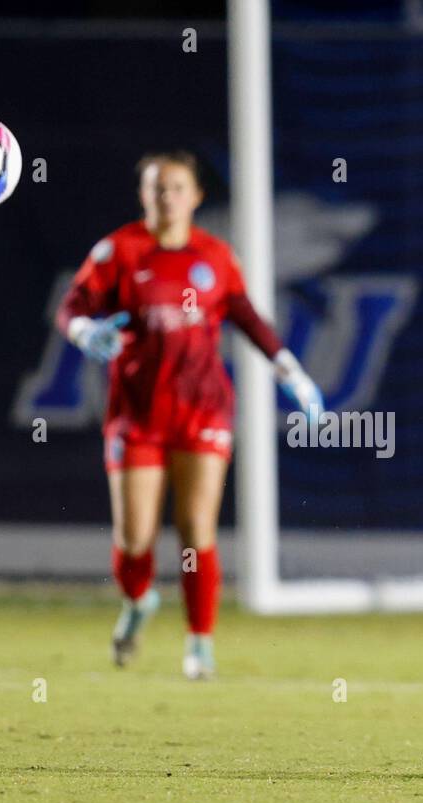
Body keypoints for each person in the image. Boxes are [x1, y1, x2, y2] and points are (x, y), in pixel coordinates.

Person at [57, 150, 321, 679]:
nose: (167, 197)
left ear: (196, 196)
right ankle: (137, 602)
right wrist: (85, 332)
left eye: (177, 187)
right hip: (137, 414)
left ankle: (199, 643)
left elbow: (245, 315)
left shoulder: (215, 256)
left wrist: (288, 369)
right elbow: (73, 306)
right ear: (143, 195)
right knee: (134, 538)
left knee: (196, 528)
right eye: (156, 187)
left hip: (203, 408)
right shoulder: (119, 251)